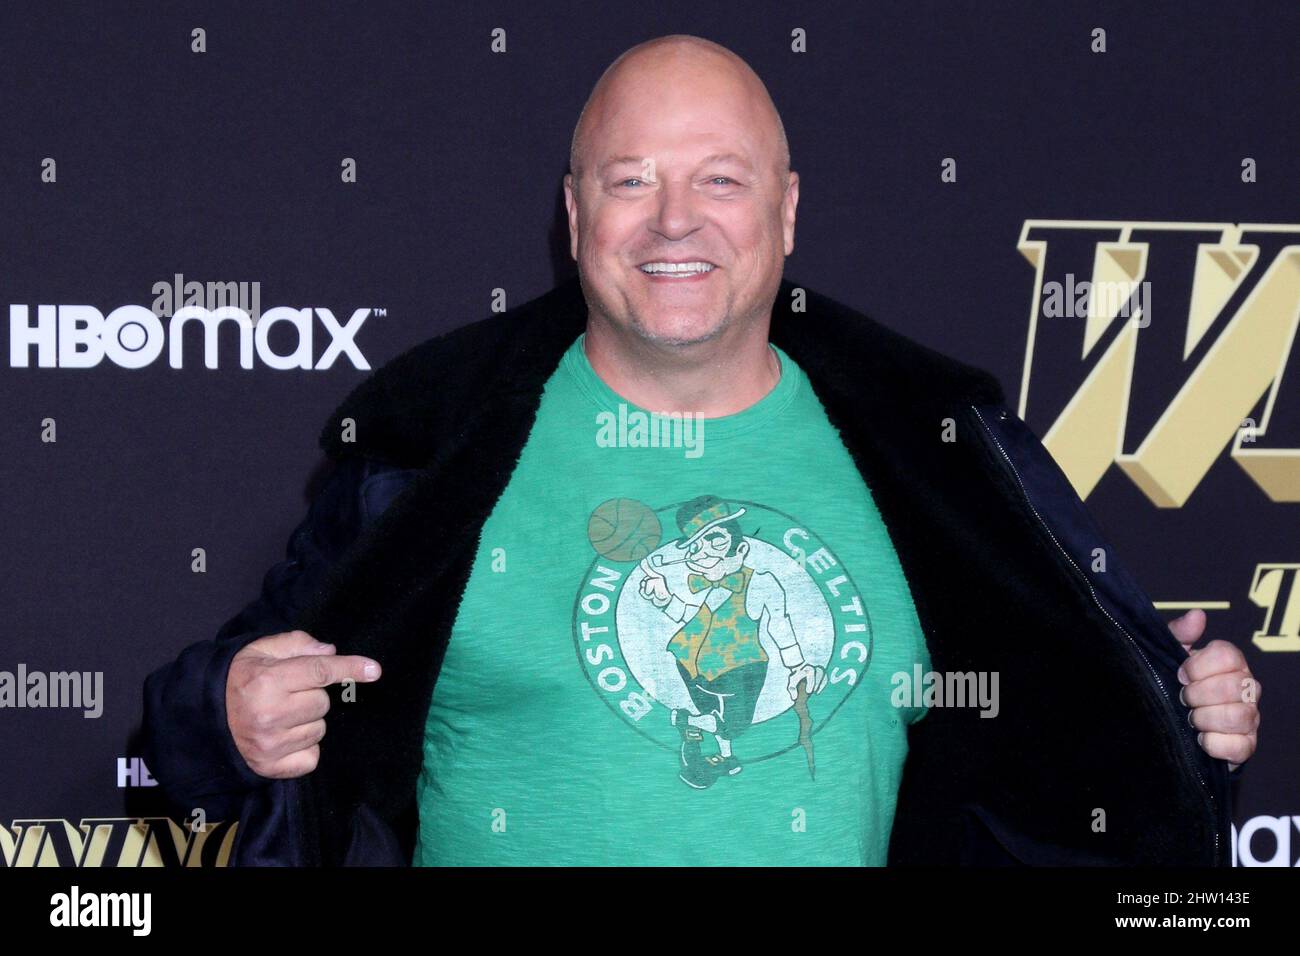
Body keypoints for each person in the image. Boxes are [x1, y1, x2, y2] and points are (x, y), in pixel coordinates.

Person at [143, 35, 1260, 866]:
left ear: (785, 211)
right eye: (631, 180)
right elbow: (197, 725)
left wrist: (1180, 716)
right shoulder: (423, 453)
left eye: (719, 179)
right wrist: (230, 713)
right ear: (575, 217)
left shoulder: (938, 455)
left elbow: (1068, 763)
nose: (674, 221)